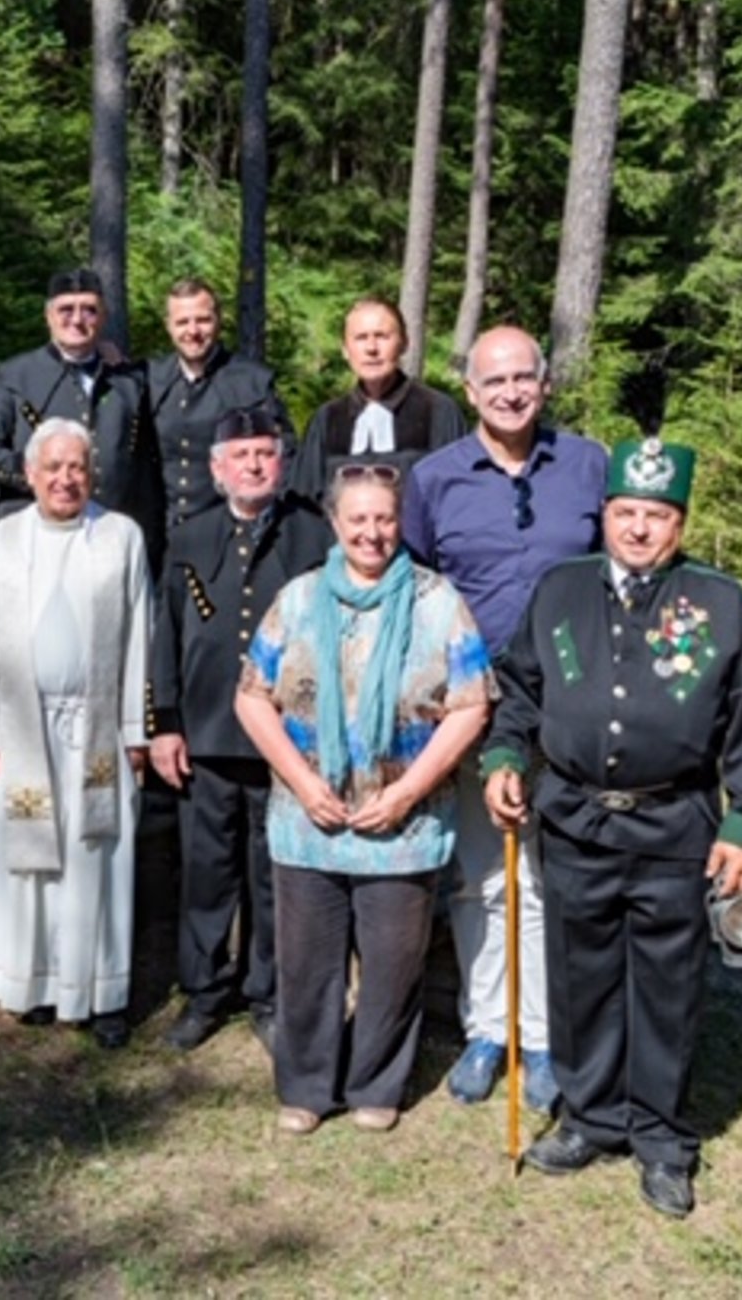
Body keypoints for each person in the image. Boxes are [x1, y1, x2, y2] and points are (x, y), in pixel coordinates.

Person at [484, 438, 742, 1218]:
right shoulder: (560, 589)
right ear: (605, 513)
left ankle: (661, 1139)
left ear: (680, 524)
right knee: (580, 977)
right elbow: (519, 684)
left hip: (674, 827)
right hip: (575, 820)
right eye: (626, 512)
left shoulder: (722, 603)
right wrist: (505, 755)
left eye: (657, 515)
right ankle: (590, 1118)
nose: (639, 529)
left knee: (666, 988)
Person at [234, 465, 494, 1134]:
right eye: (358, 519)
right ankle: (307, 1085)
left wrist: (407, 792)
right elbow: (252, 697)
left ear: (400, 522)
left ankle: (376, 1082)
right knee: (307, 963)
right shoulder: (297, 599)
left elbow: (470, 705)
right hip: (308, 821)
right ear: (334, 523)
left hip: (403, 826)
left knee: (392, 965)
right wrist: (302, 781)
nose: (372, 532)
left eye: (384, 518)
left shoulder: (439, 602)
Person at [400, 326, 607, 1112]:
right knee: (484, 875)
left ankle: (545, 1035)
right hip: (475, 709)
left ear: (545, 384)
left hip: (573, 705)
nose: (511, 393)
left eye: (524, 378)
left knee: (552, 877)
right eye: (495, 381)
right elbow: (416, 589)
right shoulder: (435, 478)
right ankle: (489, 1028)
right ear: (471, 391)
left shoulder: (587, 465)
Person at [0, 419, 153, 1048]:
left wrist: (136, 732)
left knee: (96, 856)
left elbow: (140, 633)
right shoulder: (0, 541)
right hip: (22, 730)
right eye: (53, 468)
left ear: (93, 473)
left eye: (77, 467)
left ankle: (99, 990)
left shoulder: (120, 536)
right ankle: (29, 983)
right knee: (28, 857)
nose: (66, 479)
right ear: (30, 474)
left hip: (96, 729)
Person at [150, 406, 331, 1053]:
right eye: (241, 455)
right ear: (217, 468)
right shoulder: (190, 536)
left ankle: (268, 992)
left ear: (281, 462)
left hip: (286, 740)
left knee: (272, 872)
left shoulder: (314, 534)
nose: (254, 465)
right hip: (206, 734)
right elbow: (167, 632)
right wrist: (165, 724)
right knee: (206, 871)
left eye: (265, 453)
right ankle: (204, 991)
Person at [0, 267, 159, 536]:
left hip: (111, 533)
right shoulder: (14, 376)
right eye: (66, 309)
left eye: (89, 310)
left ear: (103, 317)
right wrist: (37, 473)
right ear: (48, 315)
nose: (77, 320)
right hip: (36, 533)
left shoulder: (131, 381)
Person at [147, 279, 293, 538]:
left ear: (218, 320)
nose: (193, 331)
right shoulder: (150, 380)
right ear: (168, 325)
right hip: (160, 535)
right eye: (182, 322)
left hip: (230, 533)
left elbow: (284, 460)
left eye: (203, 320)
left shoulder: (251, 382)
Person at [288, 298, 467, 503]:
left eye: (382, 336)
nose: (371, 348)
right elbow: (304, 504)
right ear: (345, 349)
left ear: (404, 343)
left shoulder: (437, 411)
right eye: (361, 338)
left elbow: (457, 498)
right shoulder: (328, 419)